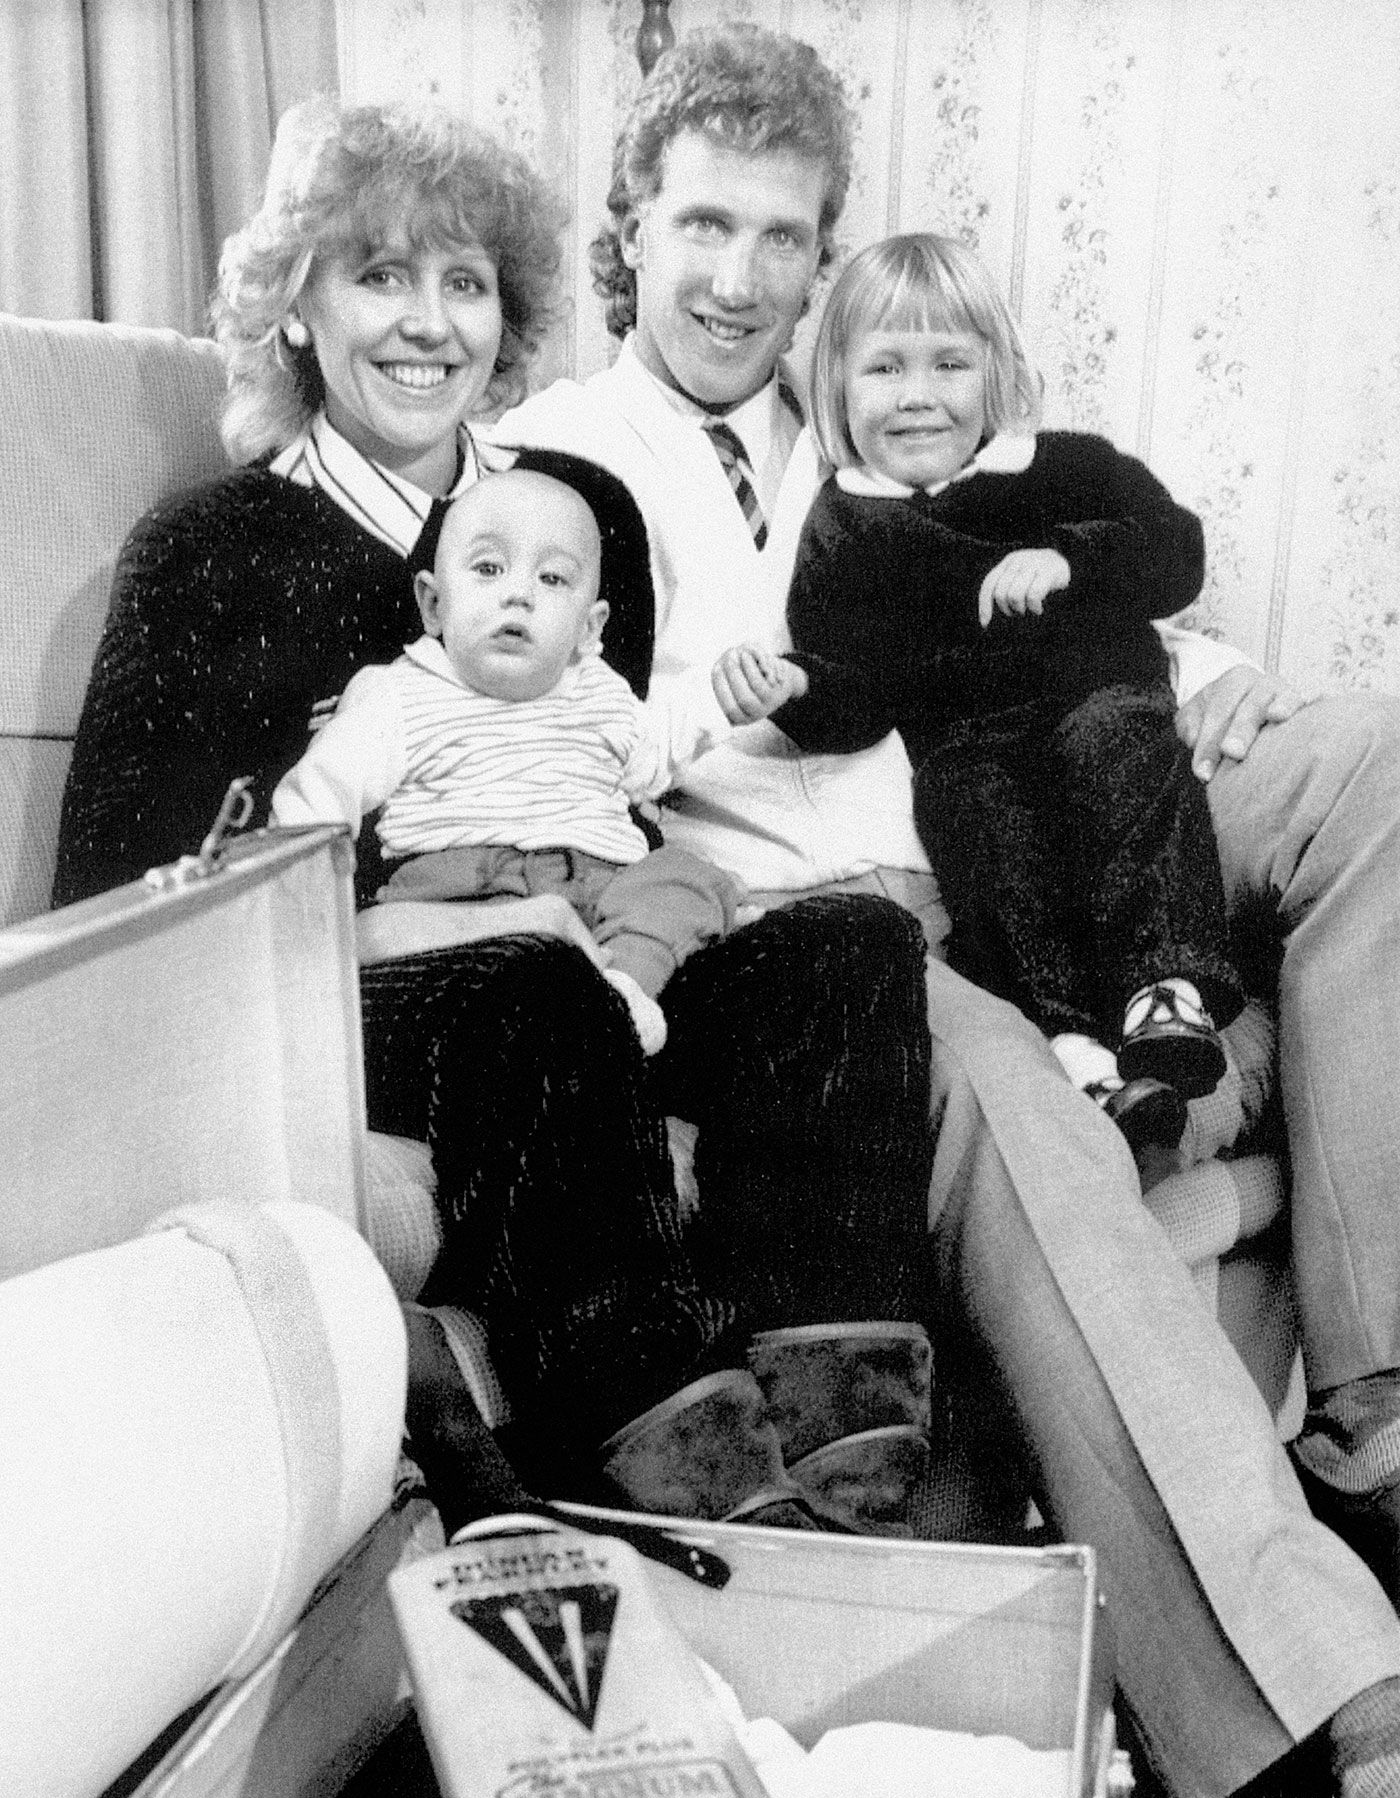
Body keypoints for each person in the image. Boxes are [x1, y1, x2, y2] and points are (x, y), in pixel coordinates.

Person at [497, 17, 1400, 1798]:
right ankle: (1346, 1701)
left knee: (1377, 764)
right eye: (702, 228)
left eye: (783, 236)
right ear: (629, 236)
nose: (741, 277)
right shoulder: (562, 465)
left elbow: (1033, 547)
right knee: (1011, 1095)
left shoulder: (859, 404)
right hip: (823, 923)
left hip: (1016, 816)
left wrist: (1202, 679)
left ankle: (1381, 1413)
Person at [52, 96, 934, 1538]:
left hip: (572, 951)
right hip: (358, 990)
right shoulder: (208, 551)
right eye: (379, 274)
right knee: (532, 981)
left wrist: (629, 908)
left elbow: (612, 782)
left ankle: (852, 1457)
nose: (428, 323)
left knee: (844, 952)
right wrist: (446, 915)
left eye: (464, 282)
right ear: (298, 308)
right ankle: (671, 1440)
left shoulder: (579, 514)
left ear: (509, 314)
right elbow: (132, 922)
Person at [717, 231, 1244, 1151]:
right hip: (968, 743)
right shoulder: (846, 524)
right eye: (884, 367)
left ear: (994, 374)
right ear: (838, 387)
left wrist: (1070, 557)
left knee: (1115, 750)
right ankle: (1079, 1049)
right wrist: (792, 686)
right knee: (970, 818)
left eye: (949, 364)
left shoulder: (1062, 467)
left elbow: (1176, 550)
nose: (918, 394)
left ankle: (1167, 989)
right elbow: (859, 692)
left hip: (1098, 693)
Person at [272, 466, 743, 1054]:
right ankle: (611, 990)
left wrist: (722, 706)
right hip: (467, 887)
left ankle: (626, 981)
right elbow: (320, 792)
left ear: (588, 627)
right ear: (434, 604)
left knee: (690, 876)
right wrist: (301, 889)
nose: (518, 593)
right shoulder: (398, 693)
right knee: (510, 970)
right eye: (489, 569)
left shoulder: (599, 690)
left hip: (604, 885)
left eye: (551, 579)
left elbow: (653, 756)